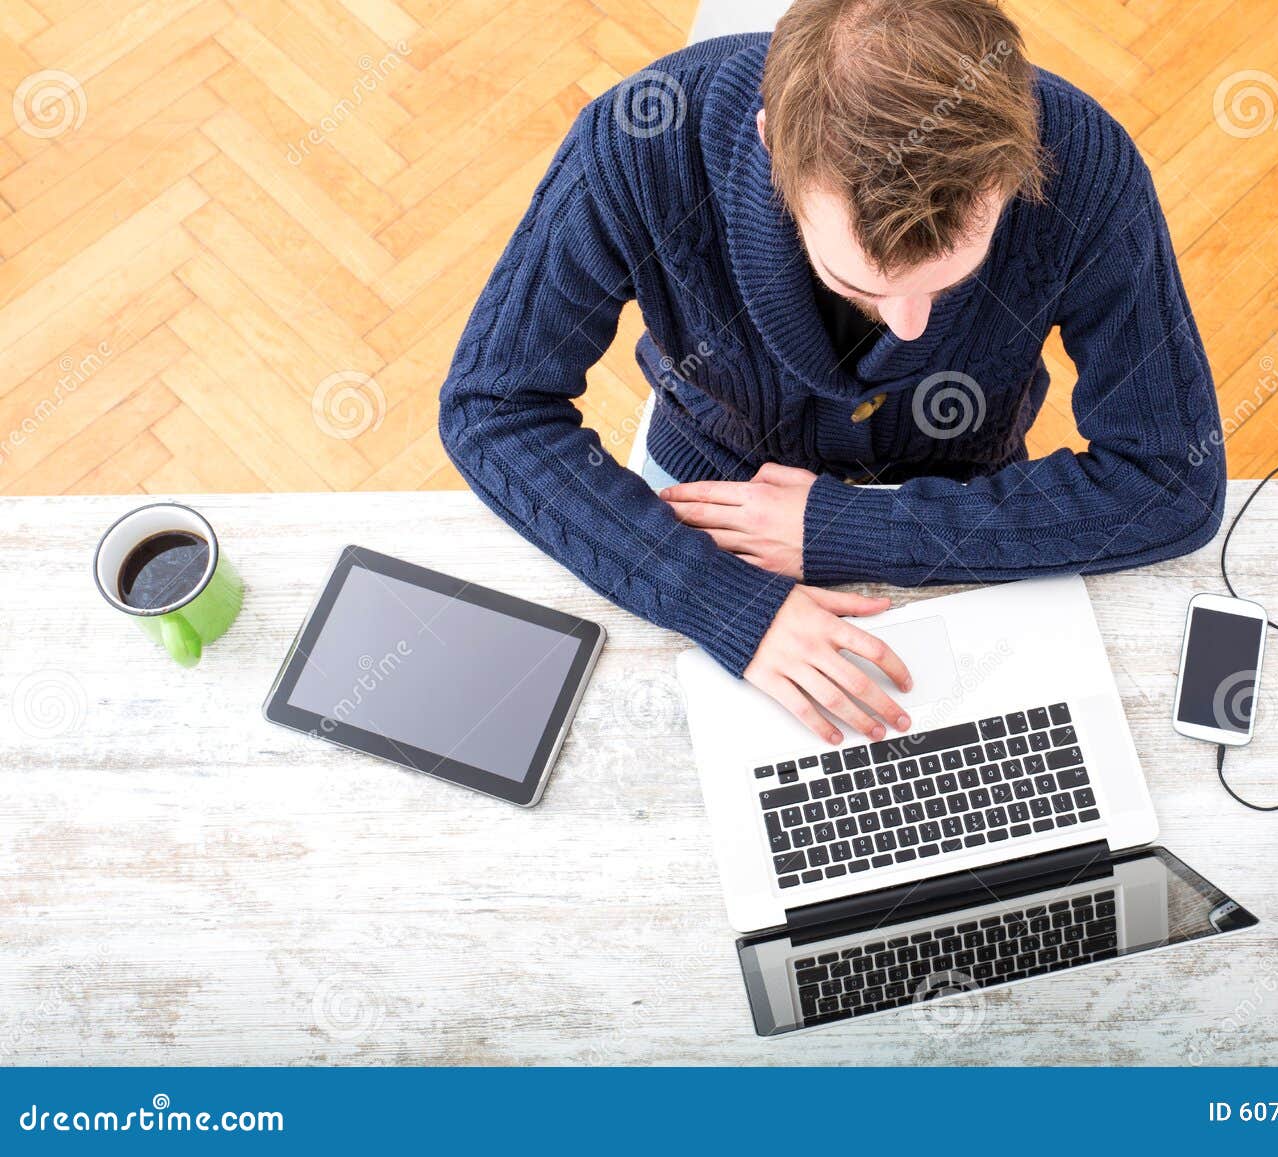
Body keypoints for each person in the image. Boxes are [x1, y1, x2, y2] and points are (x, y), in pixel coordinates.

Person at [438, 0, 1224, 746]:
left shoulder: (1087, 166)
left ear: (1015, 168)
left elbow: (1170, 481)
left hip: (970, 510)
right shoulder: (637, 142)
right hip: (704, 518)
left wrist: (848, 529)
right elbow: (491, 408)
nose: (916, 325)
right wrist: (720, 601)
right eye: (862, 286)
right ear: (772, 143)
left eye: (949, 279)